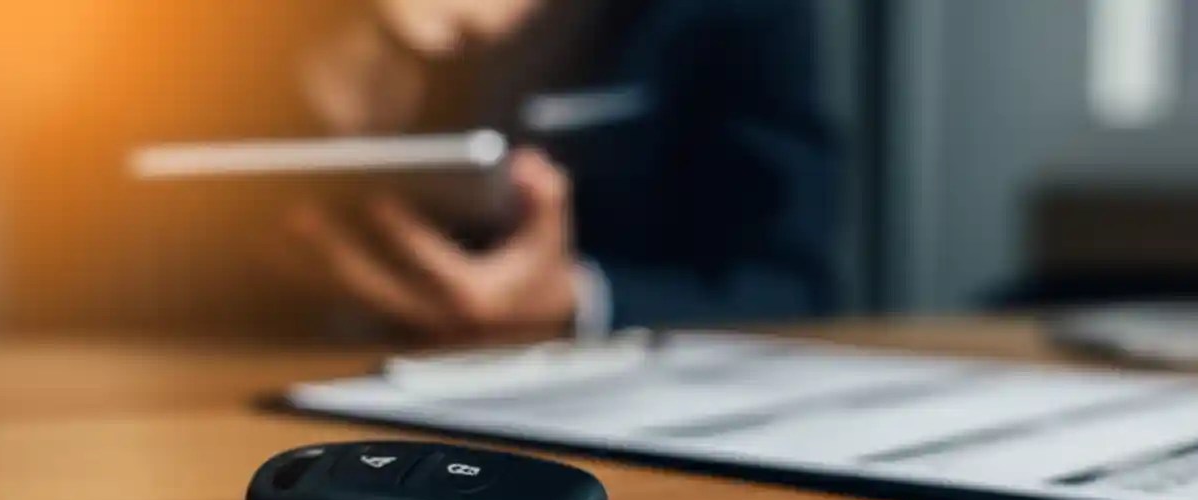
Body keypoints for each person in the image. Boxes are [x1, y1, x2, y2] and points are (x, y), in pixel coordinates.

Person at [286, 0, 836, 343]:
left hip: (609, 403)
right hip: (301, 383)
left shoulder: (727, 15)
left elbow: (791, 286)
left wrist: (572, 301)